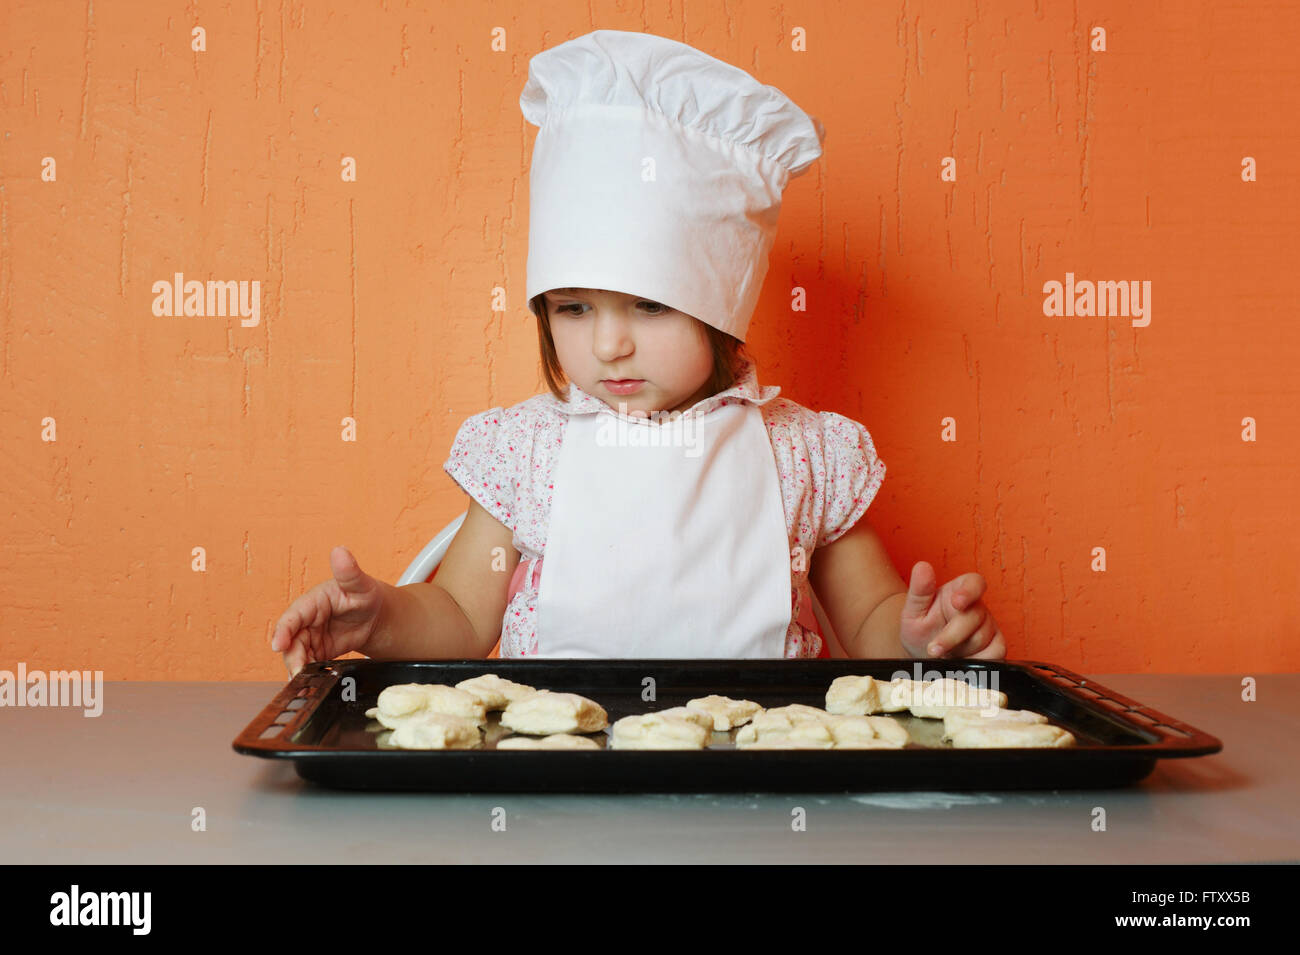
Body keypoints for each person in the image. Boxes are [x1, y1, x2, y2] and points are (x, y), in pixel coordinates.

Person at [271, 30, 1005, 677]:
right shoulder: (528, 449)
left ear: (721, 310)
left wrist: (918, 639)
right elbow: (460, 616)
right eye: (573, 307)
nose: (608, 342)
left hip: (759, 791)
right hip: (561, 785)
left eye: (649, 305)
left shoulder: (804, 455)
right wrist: (379, 621)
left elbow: (870, 616)